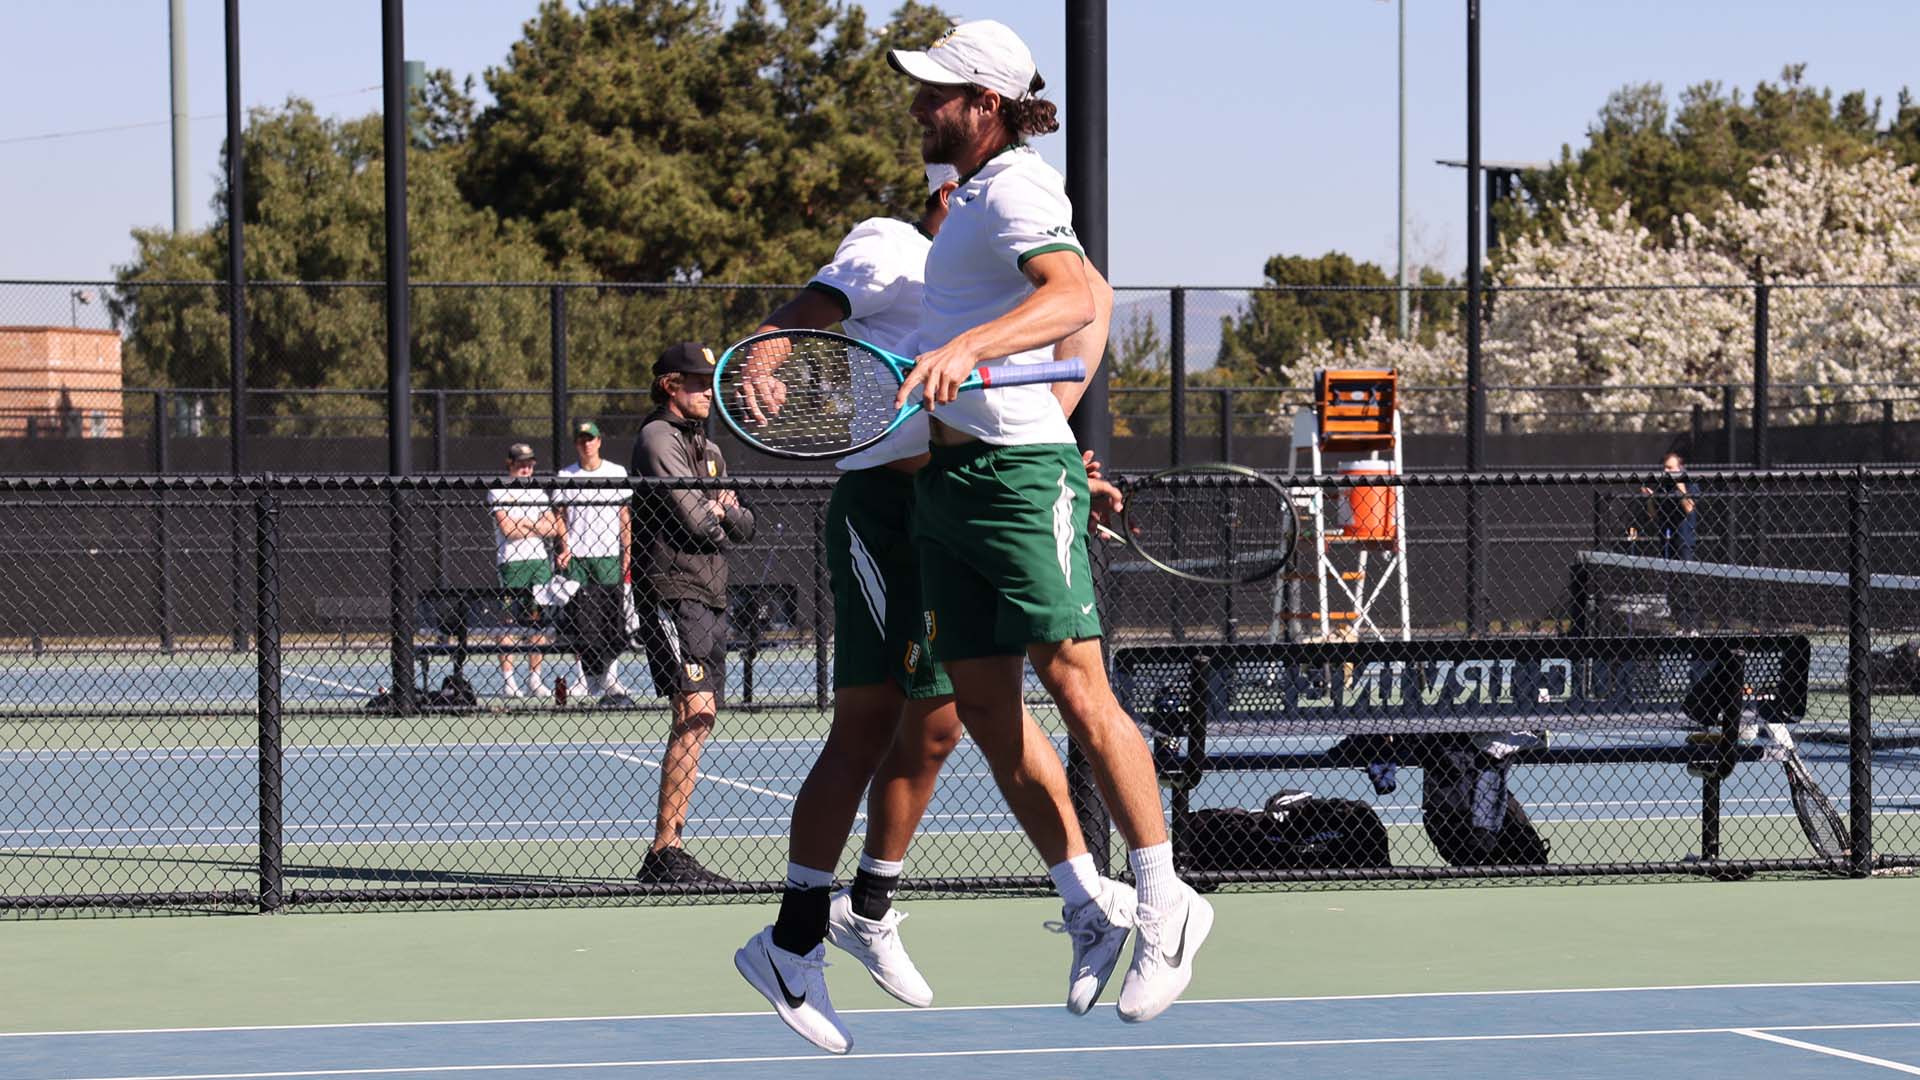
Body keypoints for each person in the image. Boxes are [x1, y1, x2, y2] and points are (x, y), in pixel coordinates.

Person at [731, 166, 1129, 1055]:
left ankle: (873, 907)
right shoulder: (891, 244)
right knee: (869, 720)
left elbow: (1015, 401)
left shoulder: (989, 294)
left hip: (953, 501)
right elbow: (805, 313)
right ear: (953, 200)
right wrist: (768, 343)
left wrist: (1072, 471)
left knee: (954, 719)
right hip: (883, 510)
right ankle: (791, 941)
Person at [887, 18, 1213, 1024]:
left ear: (984, 106)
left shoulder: (1020, 184)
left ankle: (1167, 902)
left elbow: (1075, 296)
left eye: (937, 92)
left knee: (1079, 690)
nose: (919, 105)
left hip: (1016, 485)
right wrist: (1053, 424)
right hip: (956, 484)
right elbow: (1099, 298)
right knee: (986, 709)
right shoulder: (974, 199)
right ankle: (1087, 903)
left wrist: (979, 356)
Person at [631, 342, 756, 885]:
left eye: (712, 381)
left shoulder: (706, 446)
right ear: (669, 386)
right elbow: (696, 521)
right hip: (672, 588)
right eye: (698, 382)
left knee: (699, 719)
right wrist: (720, 507)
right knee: (694, 710)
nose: (710, 391)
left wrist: (723, 508)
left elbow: (745, 524)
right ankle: (665, 850)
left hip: (709, 592)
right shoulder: (658, 437)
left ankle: (668, 847)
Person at [554, 419, 632, 697]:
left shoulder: (616, 472)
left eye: (591, 439)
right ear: (577, 444)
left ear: (599, 441)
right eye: (582, 439)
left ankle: (609, 678)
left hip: (608, 556)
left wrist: (628, 552)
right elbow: (560, 516)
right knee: (582, 622)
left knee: (611, 620)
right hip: (579, 558)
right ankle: (584, 679)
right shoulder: (566, 475)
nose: (586, 444)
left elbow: (625, 516)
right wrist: (565, 548)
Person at [487, 442, 558, 698]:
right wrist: (534, 523)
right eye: (521, 464)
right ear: (510, 464)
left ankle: (534, 680)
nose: (526, 469)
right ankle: (509, 682)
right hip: (511, 564)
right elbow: (508, 530)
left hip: (539, 563)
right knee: (508, 623)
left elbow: (553, 528)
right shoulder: (499, 490)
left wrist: (524, 523)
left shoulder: (538, 493)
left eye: (529, 464)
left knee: (537, 622)